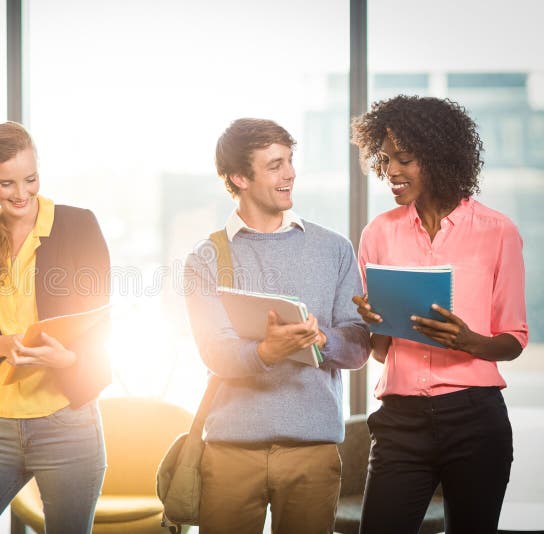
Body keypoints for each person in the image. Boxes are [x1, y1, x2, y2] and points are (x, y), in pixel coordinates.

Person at [183, 118, 370, 533]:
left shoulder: (335, 249)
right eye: (274, 165)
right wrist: (267, 352)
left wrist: (322, 339)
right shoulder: (205, 258)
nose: (290, 173)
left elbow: (359, 345)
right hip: (230, 451)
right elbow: (214, 352)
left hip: (313, 451)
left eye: (289, 161)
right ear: (239, 177)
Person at [350, 95, 528, 534]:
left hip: (475, 419)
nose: (391, 171)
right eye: (384, 159)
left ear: (438, 156)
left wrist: (468, 342)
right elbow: (380, 353)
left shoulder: (497, 232)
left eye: (404, 159)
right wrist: (377, 322)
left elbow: (514, 339)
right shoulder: (378, 232)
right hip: (400, 422)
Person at [0, 121, 111, 534]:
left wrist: (68, 359)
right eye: (7, 183)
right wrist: (0, 346)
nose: (21, 193)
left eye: (30, 179)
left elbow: (101, 322)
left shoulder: (77, 225)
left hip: (68, 423)